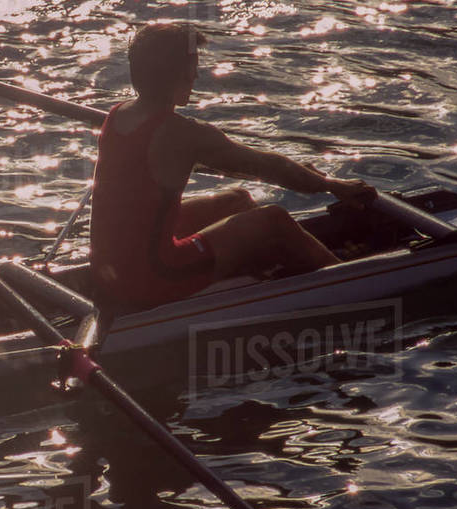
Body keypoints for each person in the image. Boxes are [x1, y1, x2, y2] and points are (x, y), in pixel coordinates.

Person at [90, 22, 375, 310]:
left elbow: (251, 166)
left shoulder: (119, 114)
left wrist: (299, 173)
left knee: (236, 201)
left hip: (108, 270)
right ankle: (356, 284)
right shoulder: (182, 133)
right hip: (152, 279)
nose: (198, 75)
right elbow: (267, 168)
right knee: (272, 219)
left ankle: (266, 272)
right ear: (178, 74)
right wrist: (331, 185)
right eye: (193, 67)